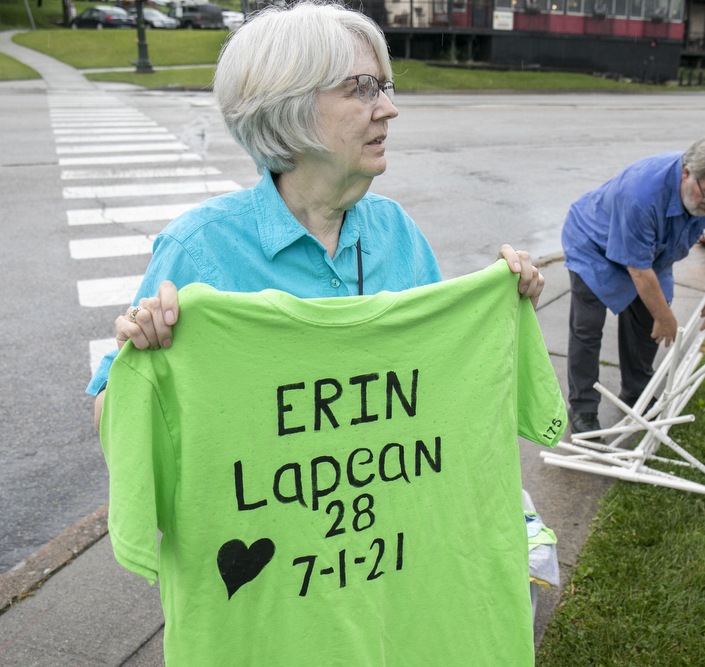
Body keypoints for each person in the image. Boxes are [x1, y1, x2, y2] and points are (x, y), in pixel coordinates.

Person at [87, 2, 543, 429]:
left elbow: (444, 375)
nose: (389, 108)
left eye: (383, 88)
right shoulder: (200, 248)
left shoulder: (395, 230)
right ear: (289, 107)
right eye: (363, 89)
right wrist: (141, 352)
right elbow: (113, 415)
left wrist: (501, 309)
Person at [562, 133, 705, 435]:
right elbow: (638, 270)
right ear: (687, 173)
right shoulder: (641, 192)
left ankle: (637, 395)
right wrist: (665, 316)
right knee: (588, 327)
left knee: (647, 326)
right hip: (594, 245)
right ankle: (583, 408)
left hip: (651, 255)